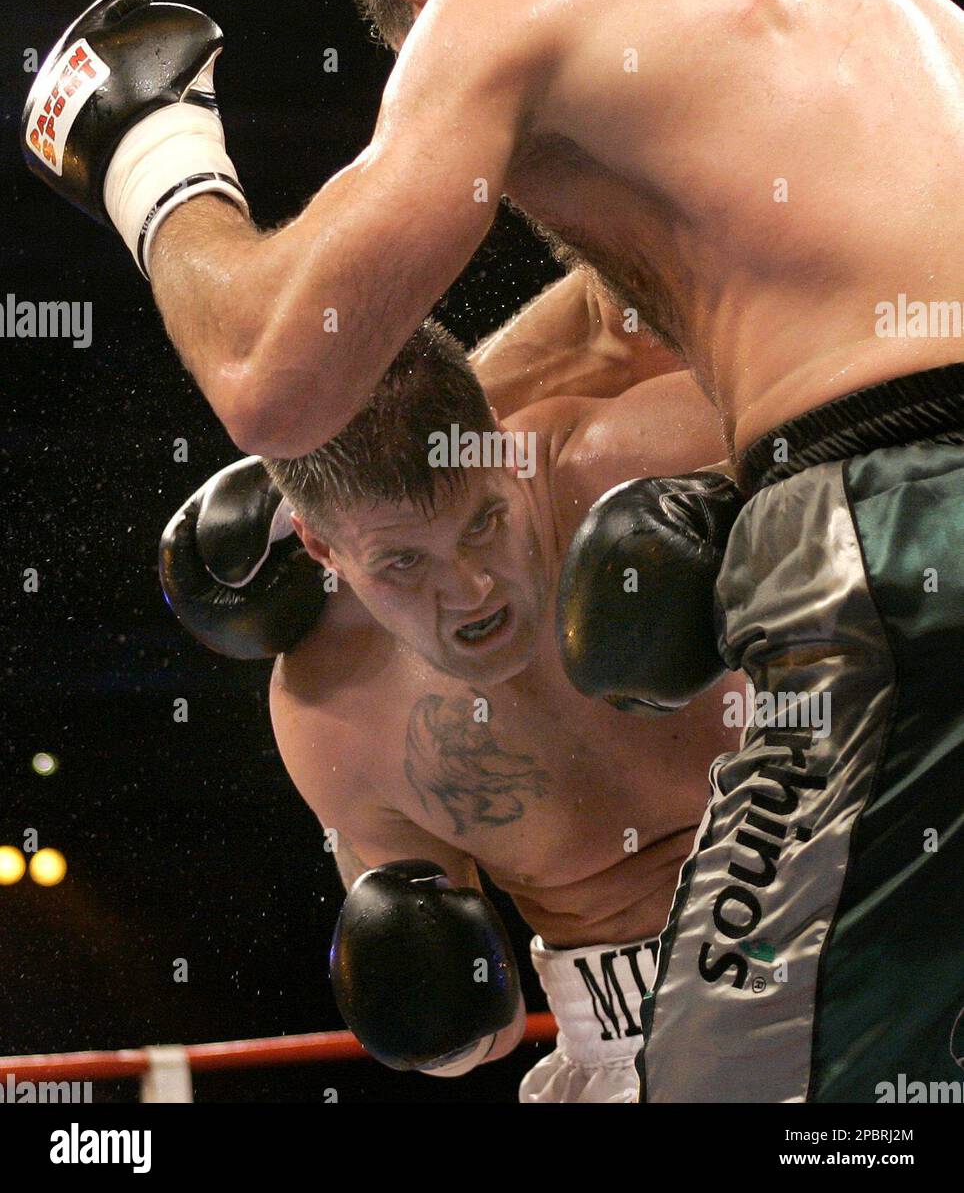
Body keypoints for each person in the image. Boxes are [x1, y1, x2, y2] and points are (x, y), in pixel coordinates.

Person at [25, 0, 964, 1101]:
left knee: (735, 1077)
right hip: (912, 484)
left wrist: (154, 167)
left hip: (892, 509)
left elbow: (264, 370)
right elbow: (616, 314)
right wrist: (352, 467)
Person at [162, 297, 746, 1101]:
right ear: (323, 547)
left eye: (483, 524)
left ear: (504, 447)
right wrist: (431, 1024)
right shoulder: (334, 708)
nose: (469, 589)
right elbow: (474, 1029)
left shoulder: (649, 458)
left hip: (876, 941)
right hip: (625, 1056)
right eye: (403, 563)